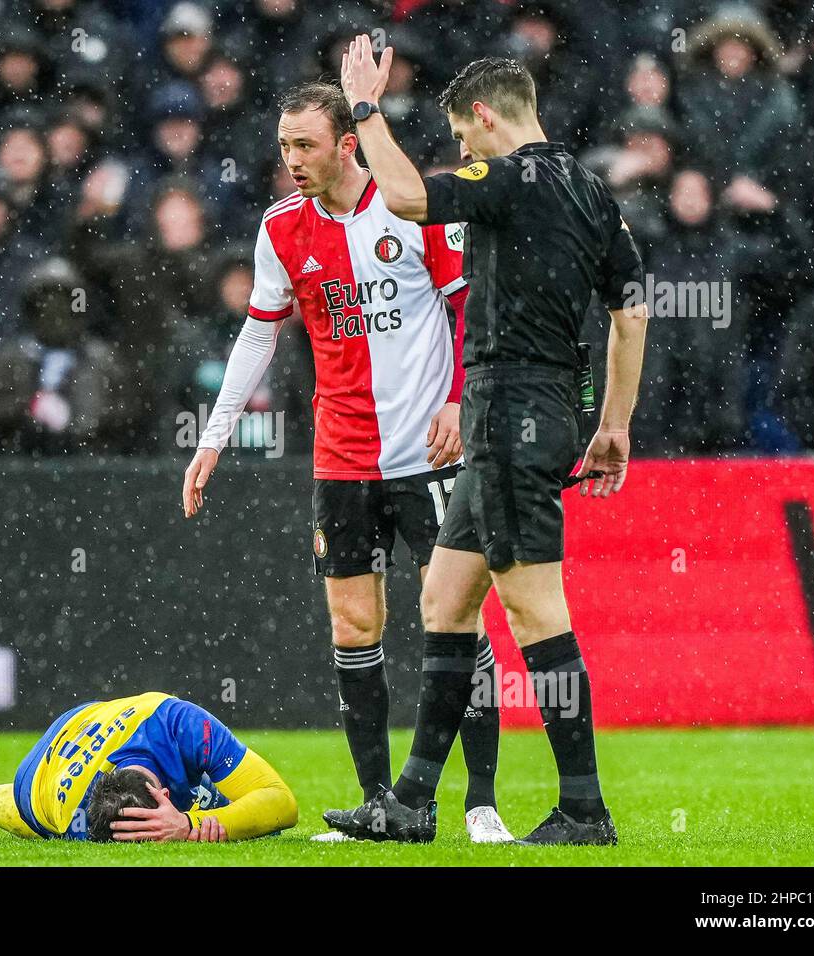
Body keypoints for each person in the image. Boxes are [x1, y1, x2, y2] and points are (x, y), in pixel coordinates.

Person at [331, 40, 648, 845]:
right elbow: (633, 310)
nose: (462, 155)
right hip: (544, 411)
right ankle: (408, 804)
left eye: (462, 140)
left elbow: (402, 197)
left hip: (508, 412)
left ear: (482, 117)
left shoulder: (508, 179)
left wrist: (367, 109)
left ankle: (584, 809)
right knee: (445, 597)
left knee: (535, 607)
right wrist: (612, 425)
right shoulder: (589, 190)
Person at [181, 81, 511, 844]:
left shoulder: (412, 207)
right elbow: (259, 336)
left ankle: (480, 801)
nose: (292, 160)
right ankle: (378, 803)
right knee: (355, 624)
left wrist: (460, 402)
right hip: (343, 459)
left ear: (346, 145)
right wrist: (213, 437)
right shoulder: (282, 229)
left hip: (427, 456)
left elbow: (468, 308)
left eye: (305, 145)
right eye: (284, 145)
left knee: (454, 617)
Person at [0, 691, 297, 843]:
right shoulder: (74, 819)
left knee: (238, 811)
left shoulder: (182, 723)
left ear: (167, 795)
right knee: (7, 808)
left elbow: (284, 803)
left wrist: (188, 825)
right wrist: (203, 827)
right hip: (43, 774)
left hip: (110, 715)